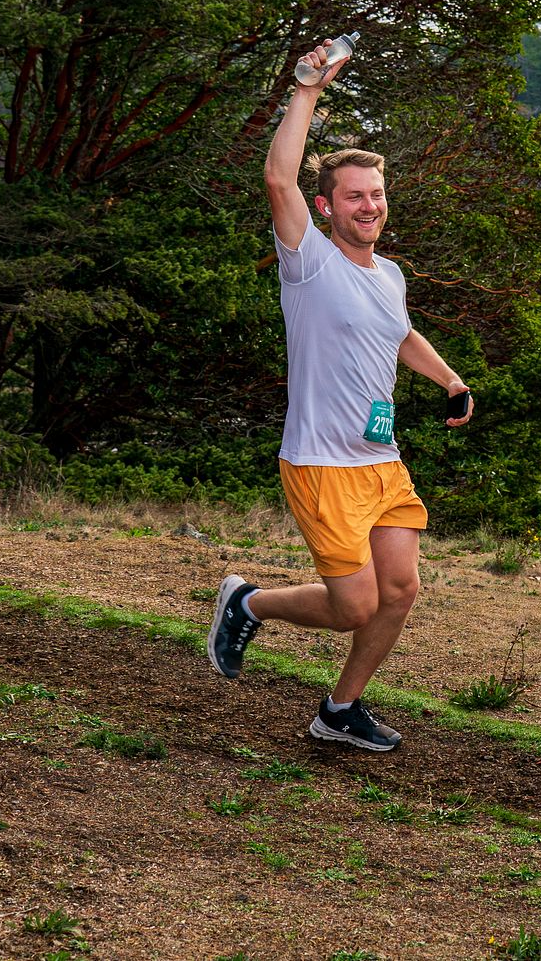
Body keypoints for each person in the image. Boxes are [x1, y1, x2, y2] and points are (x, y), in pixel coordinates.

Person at [205, 38, 474, 752]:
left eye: (377, 195)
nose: (370, 205)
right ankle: (248, 602)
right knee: (355, 605)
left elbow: (401, 334)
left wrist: (448, 378)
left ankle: (340, 708)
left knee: (401, 591)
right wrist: (308, 92)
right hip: (322, 463)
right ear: (326, 206)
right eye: (354, 195)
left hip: (380, 460)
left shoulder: (389, 274)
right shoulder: (308, 261)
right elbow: (276, 178)